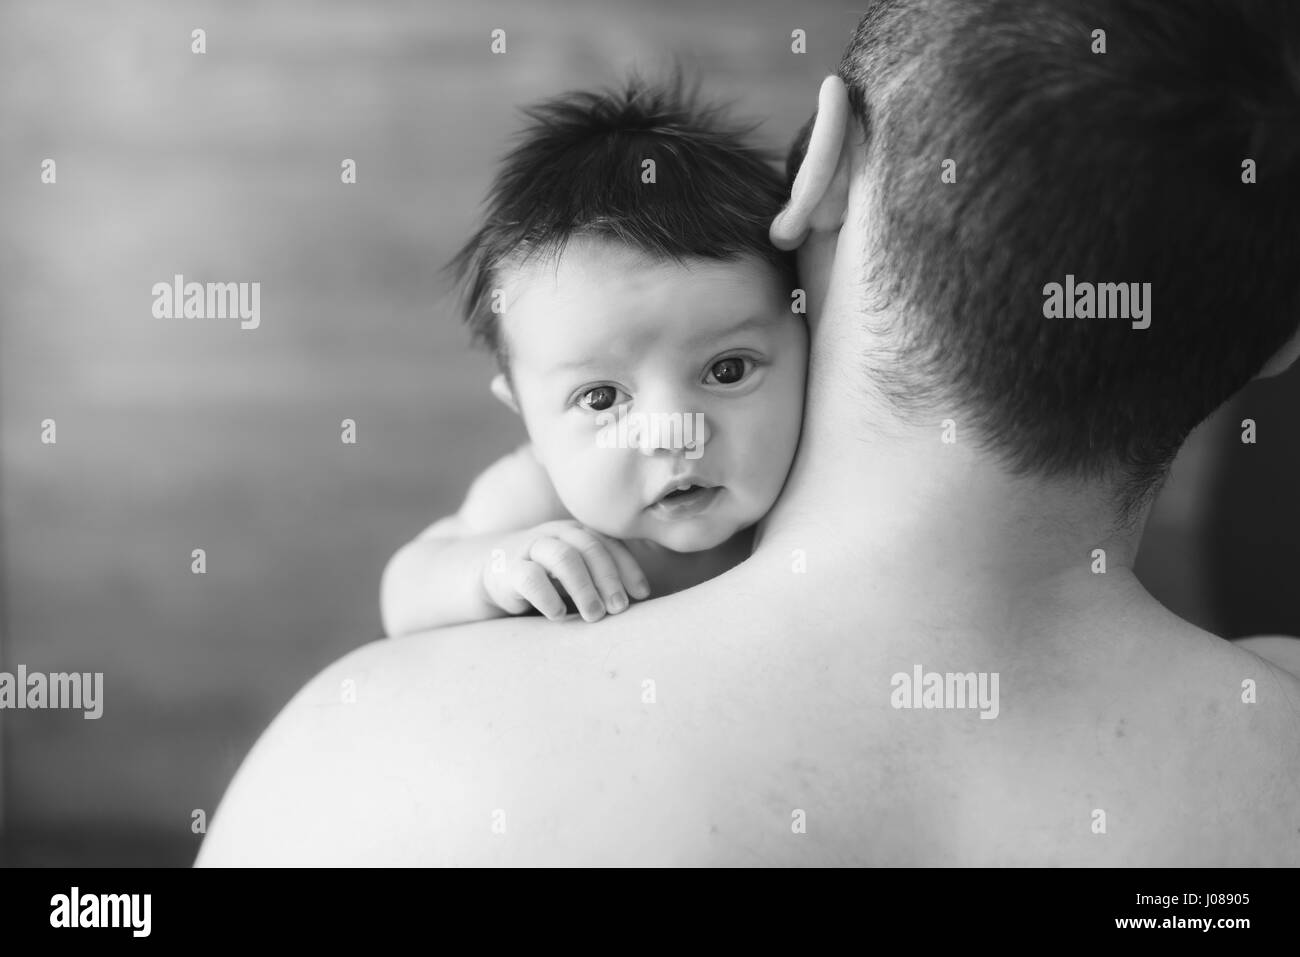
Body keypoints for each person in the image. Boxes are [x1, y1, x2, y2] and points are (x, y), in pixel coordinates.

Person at [198, 0, 1300, 866]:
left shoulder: (362, 769)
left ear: (818, 169)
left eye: (725, 368)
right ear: (1280, 347)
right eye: (600, 396)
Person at [380, 80, 807, 636]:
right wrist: (496, 567)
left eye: (727, 370)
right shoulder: (536, 499)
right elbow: (404, 594)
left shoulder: (820, 473)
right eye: (600, 398)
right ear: (527, 414)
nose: (674, 433)